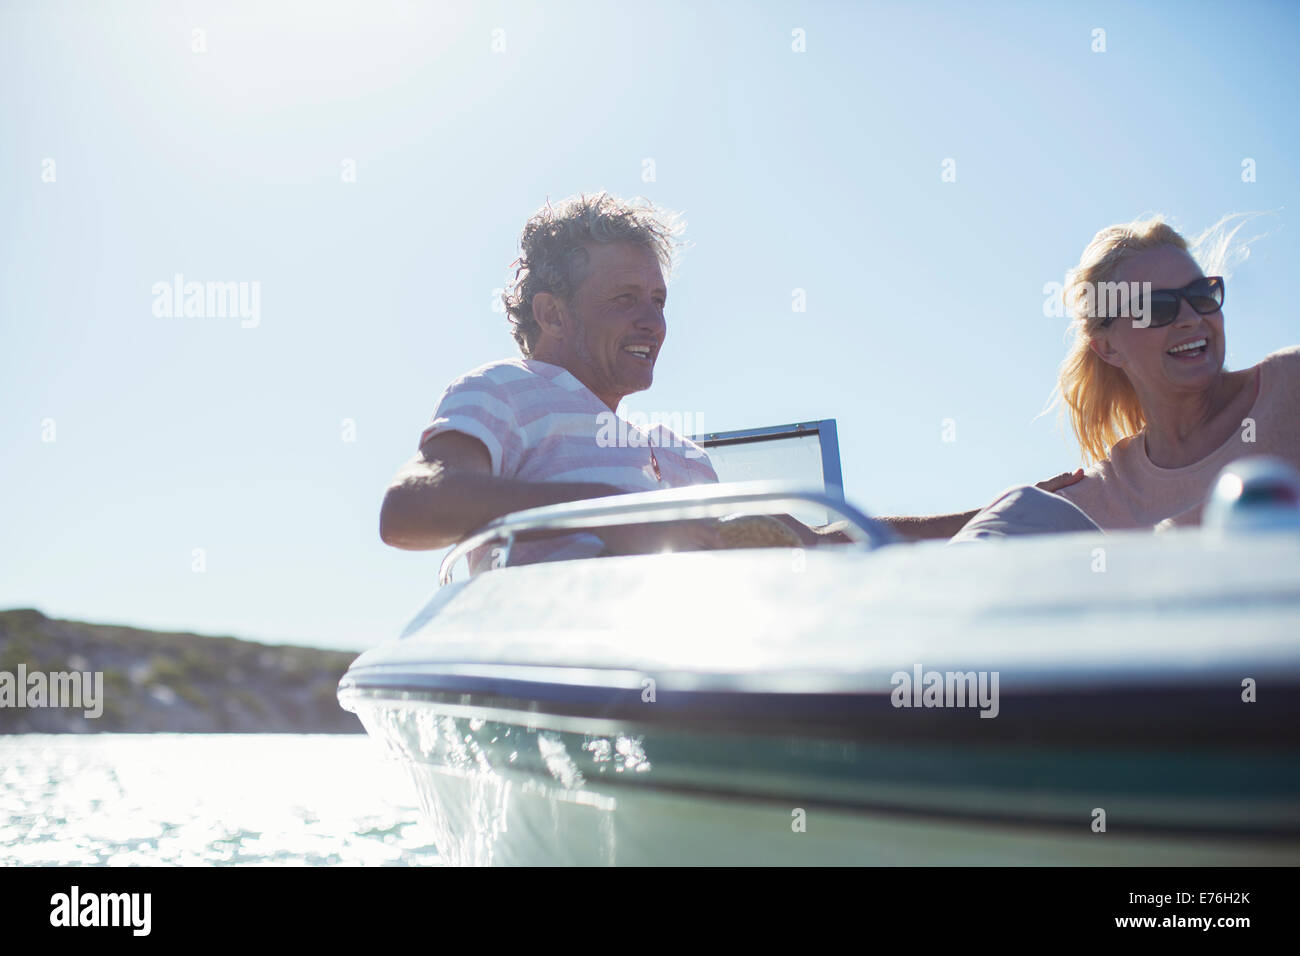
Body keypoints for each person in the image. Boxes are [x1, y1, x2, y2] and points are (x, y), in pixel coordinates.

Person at [379, 193, 726, 571]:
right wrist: (599, 510)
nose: (653, 323)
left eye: (658, 301)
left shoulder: (685, 453)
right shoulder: (502, 388)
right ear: (552, 315)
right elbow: (408, 509)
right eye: (625, 298)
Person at [953, 214, 1300, 540]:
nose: (1191, 318)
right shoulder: (1104, 493)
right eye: (1155, 307)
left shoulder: (1290, 385)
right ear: (1107, 348)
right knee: (1023, 508)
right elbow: (932, 543)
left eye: (1201, 295)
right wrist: (1011, 512)